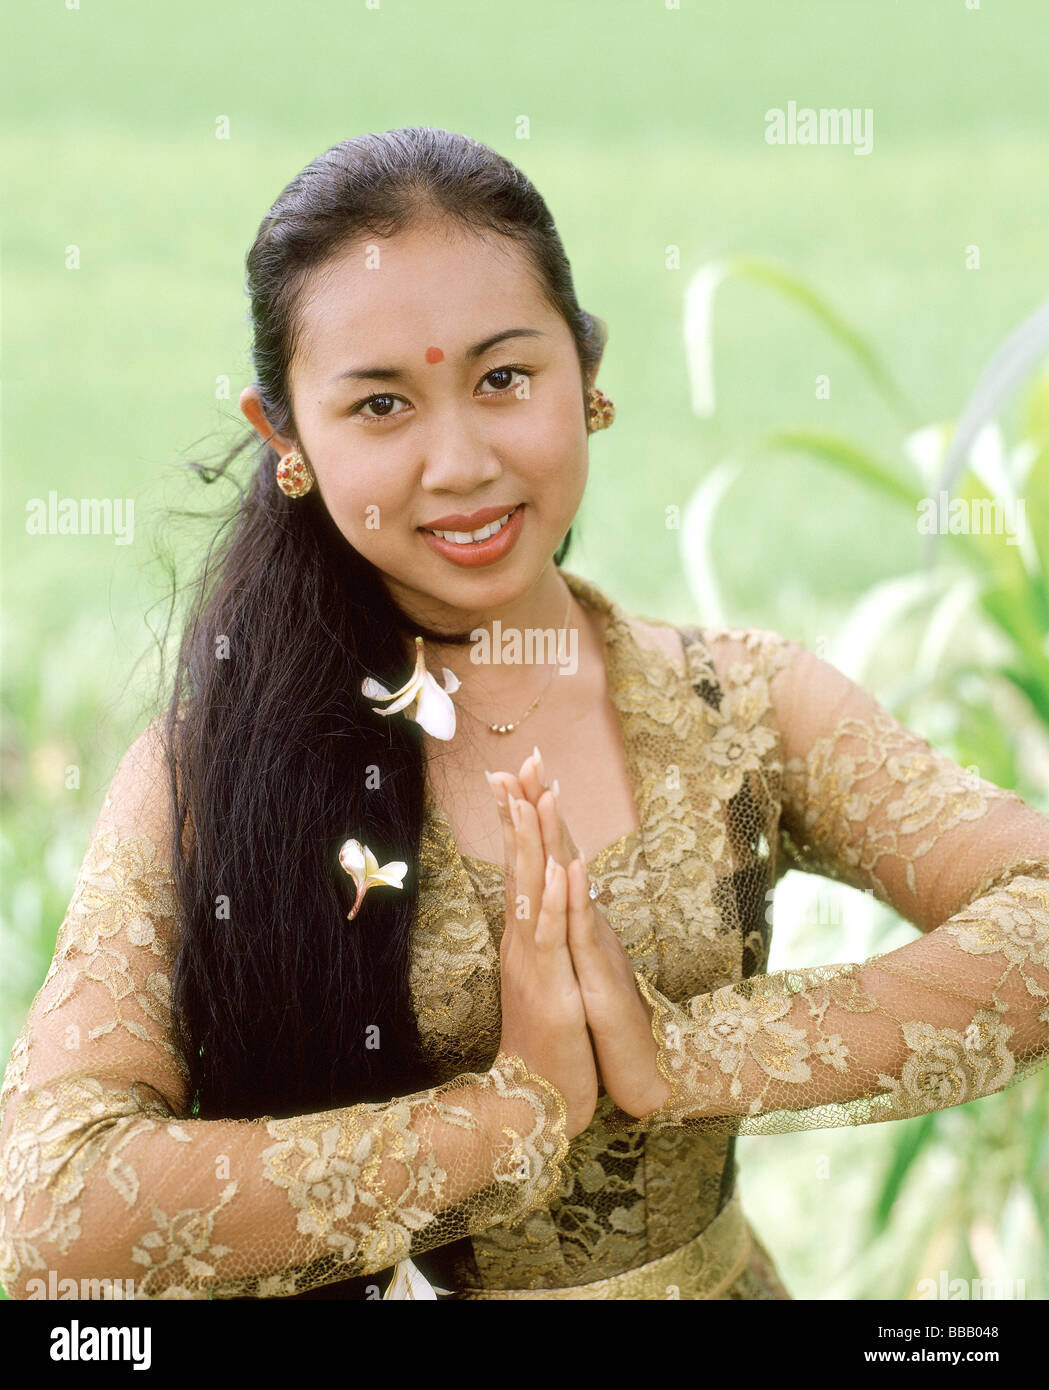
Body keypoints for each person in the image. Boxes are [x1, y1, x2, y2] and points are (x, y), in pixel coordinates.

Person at [2, 127, 1048, 1302]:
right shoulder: (214, 770)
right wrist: (511, 1113)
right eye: (381, 405)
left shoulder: (740, 706)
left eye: (504, 379)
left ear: (587, 371)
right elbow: (50, 1196)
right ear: (284, 439)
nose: (458, 462)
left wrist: (680, 1056)